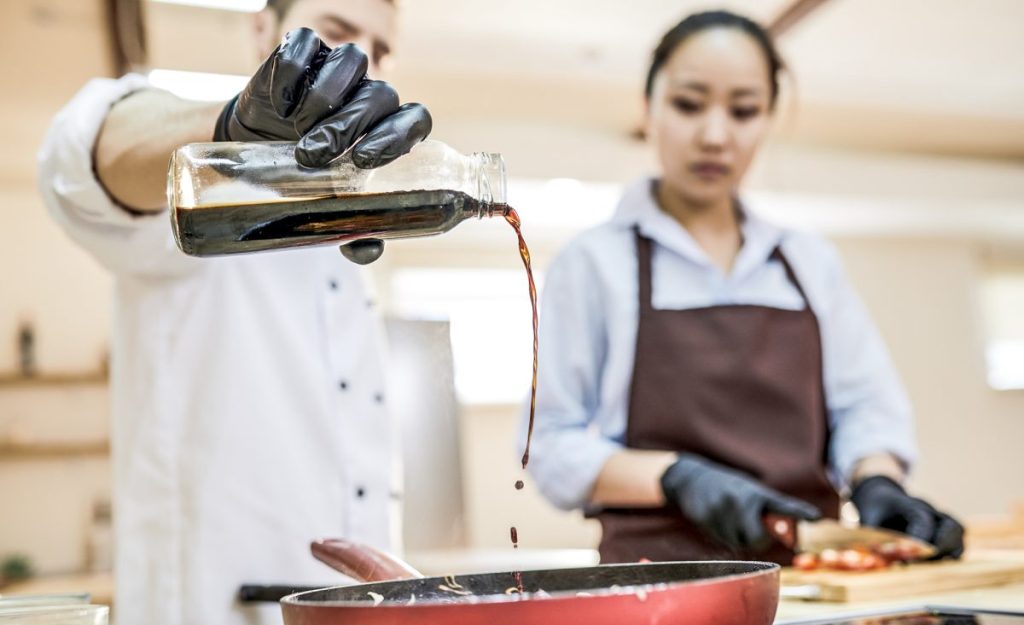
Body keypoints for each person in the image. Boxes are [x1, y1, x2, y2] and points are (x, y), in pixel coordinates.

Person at [37, 1, 430, 624]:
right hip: (214, 605)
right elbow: (82, 159)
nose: (359, 66)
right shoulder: (197, 172)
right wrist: (231, 126)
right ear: (260, 30)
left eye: (379, 52)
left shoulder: (351, 203)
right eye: (336, 36)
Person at [523, 10, 964, 565]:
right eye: (688, 104)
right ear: (647, 107)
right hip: (659, 582)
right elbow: (550, 447)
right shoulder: (595, 262)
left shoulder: (808, 261)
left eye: (744, 111)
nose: (715, 135)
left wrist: (878, 481)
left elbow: (865, 409)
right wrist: (676, 477)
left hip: (812, 577)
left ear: (769, 117)